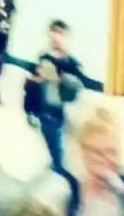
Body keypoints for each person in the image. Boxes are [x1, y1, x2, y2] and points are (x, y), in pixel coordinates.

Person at [24, 20, 84, 178]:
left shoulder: (70, 61)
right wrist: (30, 109)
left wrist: (65, 58)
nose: (56, 36)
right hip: (47, 109)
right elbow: (33, 83)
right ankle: (58, 167)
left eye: (60, 33)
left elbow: (77, 81)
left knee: (61, 147)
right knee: (54, 146)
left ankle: (59, 168)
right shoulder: (44, 57)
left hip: (61, 108)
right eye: (54, 32)